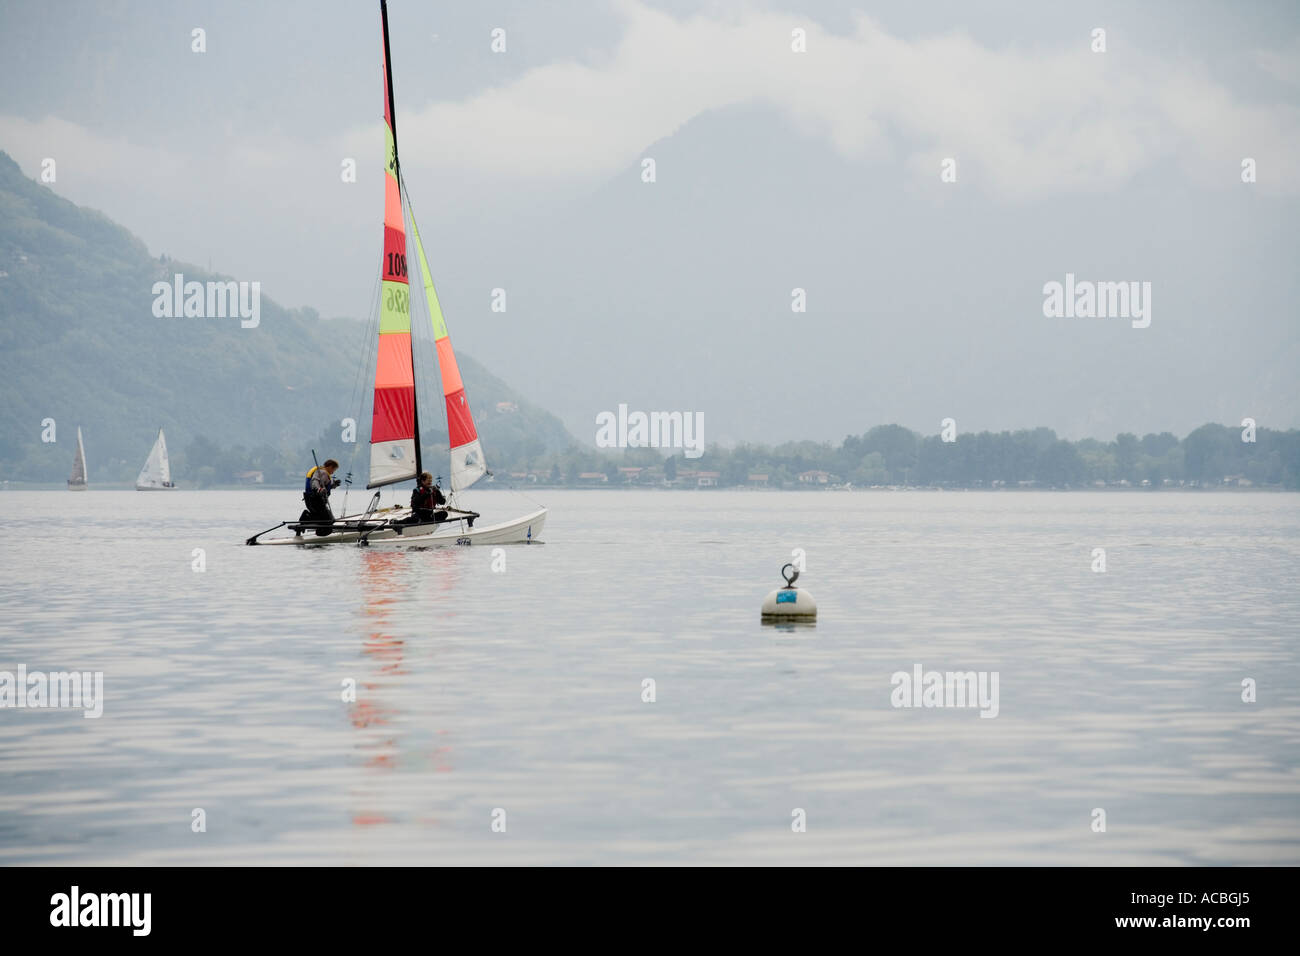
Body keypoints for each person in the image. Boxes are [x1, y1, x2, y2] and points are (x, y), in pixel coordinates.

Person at [299, 459, 340, 536]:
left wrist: (334, 484)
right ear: (330, 467)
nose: (333, 472)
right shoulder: (322, 472)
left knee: (328, 519)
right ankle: (306, 517)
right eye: (334, 469)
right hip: (315, 500)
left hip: (313, 500)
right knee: (328, 522)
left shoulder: (323, 473)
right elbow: (315, 482)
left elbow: (326, 486)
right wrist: (319, 489)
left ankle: (307, 517)